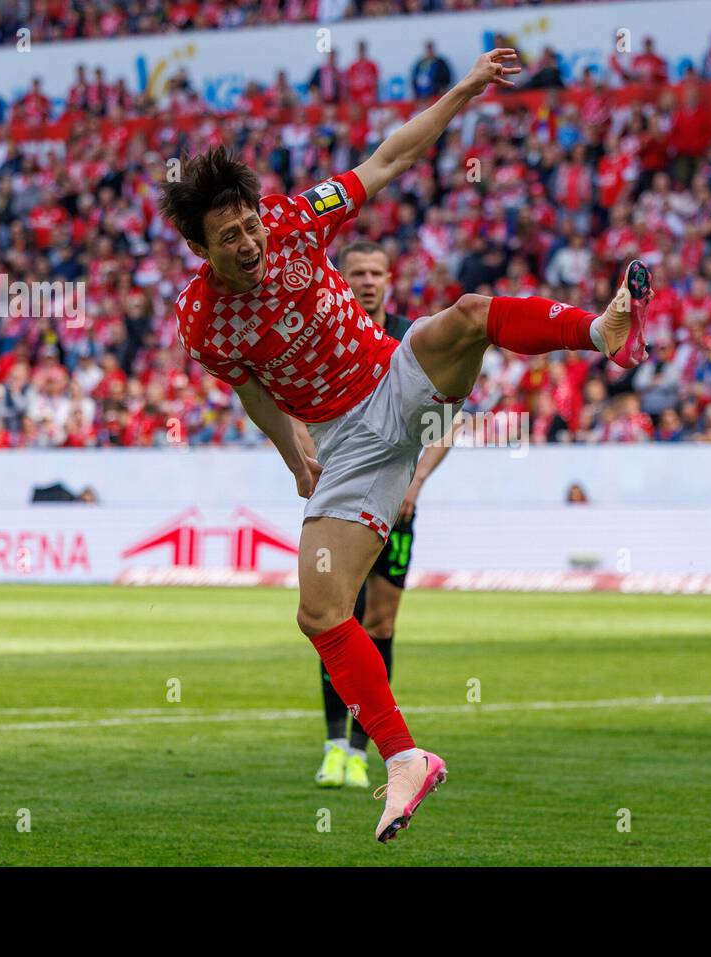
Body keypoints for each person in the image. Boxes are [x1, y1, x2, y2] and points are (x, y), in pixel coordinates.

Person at [158, 48, 652, 842]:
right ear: (201, 248)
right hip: (344, 447)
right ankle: (402, 758)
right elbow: (248, 385)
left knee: (464, 313)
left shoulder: (293, 217)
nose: (249, 242)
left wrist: (464, 89)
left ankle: (600, 330)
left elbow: (389, 156)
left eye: (250, 225)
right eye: (229, 237)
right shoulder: (199, 320)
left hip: (397, 384)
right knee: (320, 609)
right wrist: (293, 452)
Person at [312, 240, 455, 791]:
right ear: (340, 279)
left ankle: (360, 747)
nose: (367, 281)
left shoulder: (409, 339)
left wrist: (416, 481)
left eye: (376, 272)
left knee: (381, 623)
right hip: (341, 498)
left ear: (389, 279)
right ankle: (334, 748)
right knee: (334, 616)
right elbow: (296, 406)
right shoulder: (324, 337)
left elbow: (446, 420)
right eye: (357, 272)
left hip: (399, 501)